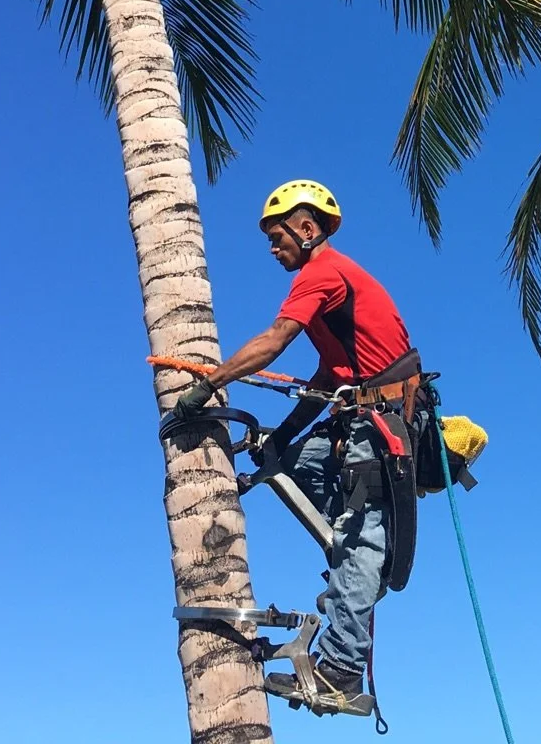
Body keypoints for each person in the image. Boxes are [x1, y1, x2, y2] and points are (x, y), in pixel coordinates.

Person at [166, 179, 419, 717]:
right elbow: (328, 377)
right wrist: (281, 436)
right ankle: (353, 558)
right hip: (359, 421)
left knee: (359, 540)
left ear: (307, 230)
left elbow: (275, 339)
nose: (272, 247)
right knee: (291, 463)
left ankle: (341, 668)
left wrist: (208, 386)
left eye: (277, 236)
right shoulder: (334, 288)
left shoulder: (322, 273)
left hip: (378, 429)